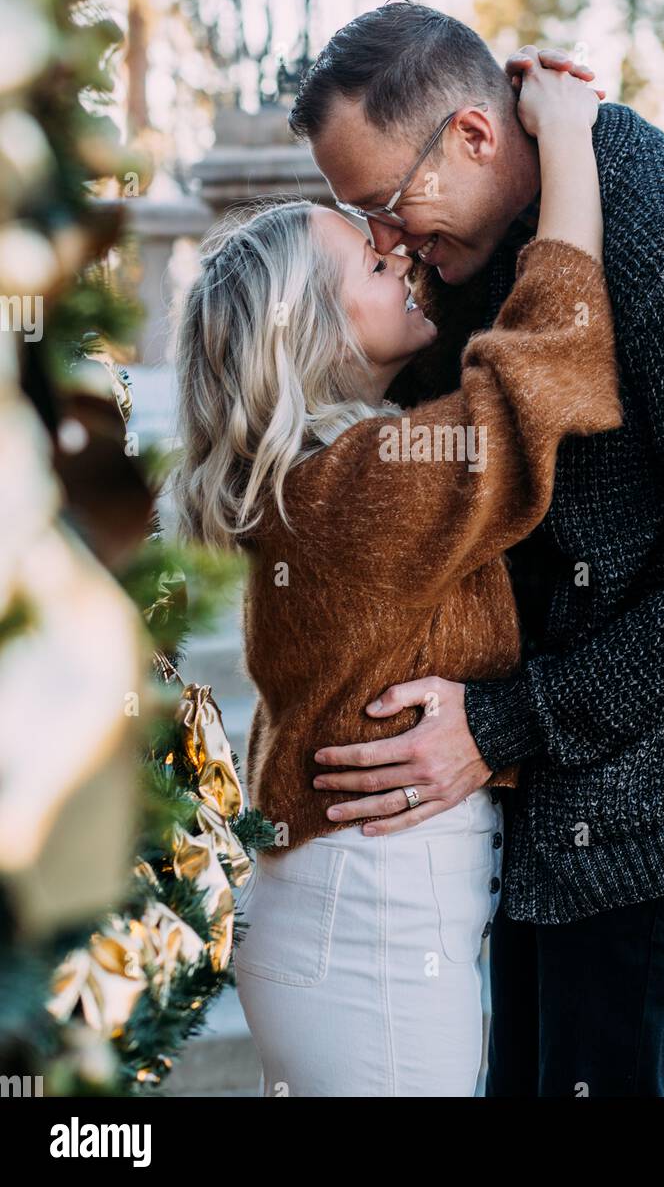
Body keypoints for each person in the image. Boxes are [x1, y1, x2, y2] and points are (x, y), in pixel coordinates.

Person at [290, 0, 664, 1097]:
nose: (390, 243)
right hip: (561, 780)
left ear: (471, 132)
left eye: (387, 205)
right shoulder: (495, 236)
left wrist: (496, 725)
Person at [171, 65, 622, 1096]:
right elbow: (543, 370)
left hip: (354, 911)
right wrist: (567, 147)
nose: (402, 257)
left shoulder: (325, 476)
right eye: (373, 264)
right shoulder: (351, 488)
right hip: (363, 925)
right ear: (314, 336)